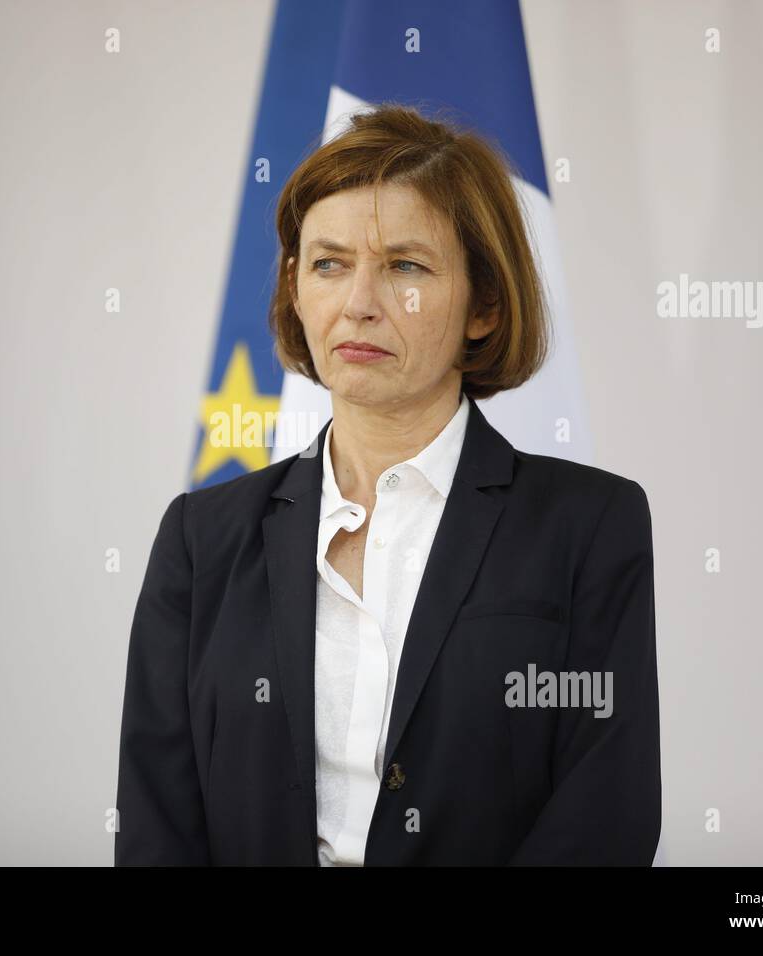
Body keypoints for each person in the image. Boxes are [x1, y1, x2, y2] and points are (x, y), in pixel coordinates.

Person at [115, 103, 660, 865]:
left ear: (485, 305)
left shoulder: (588, 526)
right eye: (329, 263)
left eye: (405, 266)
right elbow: (155, 825)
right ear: (296, 289)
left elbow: (607, 816)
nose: (359, 303)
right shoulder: (201, 540)